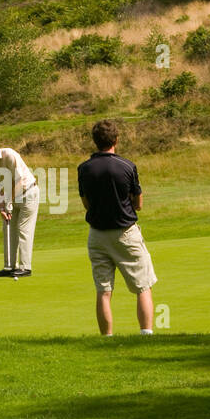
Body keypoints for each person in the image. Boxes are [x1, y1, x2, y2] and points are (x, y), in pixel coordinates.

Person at [76, 120, 157, 335]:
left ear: (95, 141)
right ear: (116, 140)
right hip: (125, 233)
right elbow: (138, 203)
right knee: (143, 286)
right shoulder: (127, 166)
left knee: (103, 290)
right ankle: (146, 335)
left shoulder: (84, 169)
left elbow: (86, 203)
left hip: (97, 236)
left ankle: (106, 338)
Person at [0, 143, 39, 277]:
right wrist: (2, 208)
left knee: (23, 229)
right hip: (13, 197)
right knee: (8, 228)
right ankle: (9, 266)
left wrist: (9, 202)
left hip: (28, 194)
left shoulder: (9, 154)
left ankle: (25, 267)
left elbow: (19, 181)